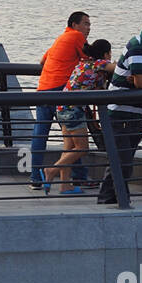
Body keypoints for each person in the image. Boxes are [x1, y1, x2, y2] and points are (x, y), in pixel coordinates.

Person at [97, 14, 142, 205]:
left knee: (122, 160)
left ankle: (107, 201)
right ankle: (121, 201)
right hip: (119, 112)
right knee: (123, 162)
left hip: (136, 112)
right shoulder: (138, 46)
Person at [29, 11, 92, 190]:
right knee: (72, 138)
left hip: (43, 89)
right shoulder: (76, 37)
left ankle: (35, 178)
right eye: (85, 24)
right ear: (74, 24)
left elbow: (42, 61)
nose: (88, 28)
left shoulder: (60, 39)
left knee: (40, 134)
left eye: (89, 25)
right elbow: (90, 60)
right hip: (60, 92)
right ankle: (80, 177)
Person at [47, 40, 114, 195]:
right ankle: (51, 170)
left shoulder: (83, 64)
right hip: (74, 110)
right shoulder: (99, 64)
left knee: (68, 148)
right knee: (82, 148)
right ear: (105, 54)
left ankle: (65, 185)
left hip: (62, 106)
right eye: (110, 53)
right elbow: (120, 70)